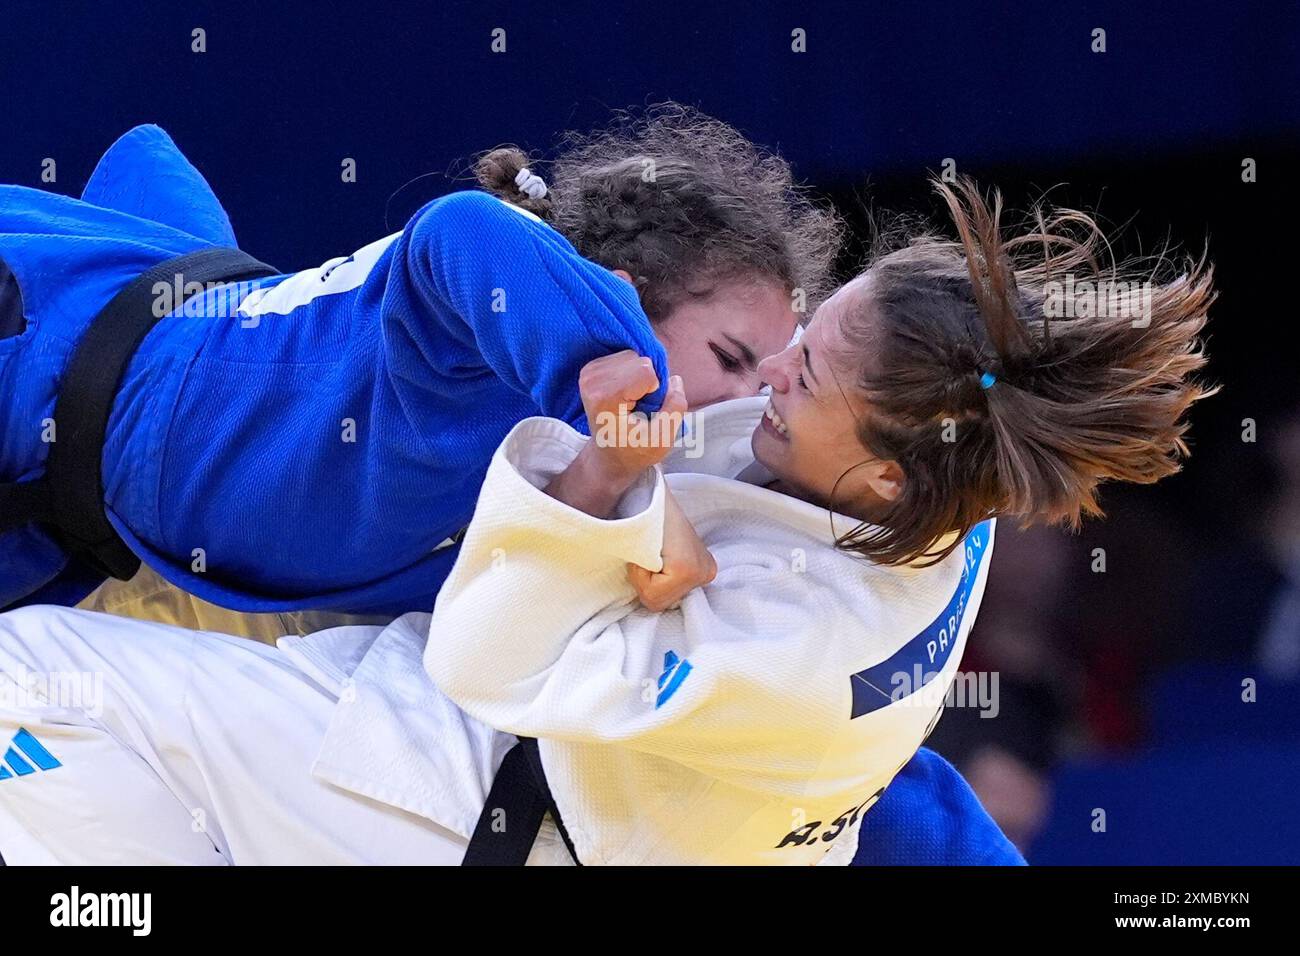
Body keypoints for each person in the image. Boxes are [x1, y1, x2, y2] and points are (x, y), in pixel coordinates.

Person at [0, 179, 1211, 864]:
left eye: (800, 371)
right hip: (540, 773)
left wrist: (598, 489)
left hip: (470, 798)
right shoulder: (947, 484)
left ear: (887, 475)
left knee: (30, 683)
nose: (771, 376)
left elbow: (494, 653)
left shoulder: (807, 646)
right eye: (802, 335)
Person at [0, 106, 841, 617]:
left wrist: (614, 486)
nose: (745, 395)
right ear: (615, 286)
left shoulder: (575, 469)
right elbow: (463, 227)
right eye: (730, 357)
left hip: (76, 499)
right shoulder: (475, 322)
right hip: (51, 355)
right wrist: (617, 404)